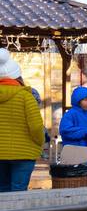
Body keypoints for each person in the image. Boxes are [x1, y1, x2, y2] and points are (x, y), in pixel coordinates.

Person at [0, 50, 43, 191]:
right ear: (17, 76)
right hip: (24, 153)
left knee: (2, 191)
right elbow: (36, 127)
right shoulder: (26, 97)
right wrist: (39, 142)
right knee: (18, 192)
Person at [58, 86, 87, 162]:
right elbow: (66, 131)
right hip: (73, 155)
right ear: (78, 100)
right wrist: (86, 131)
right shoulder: (70, 115)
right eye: (85, 99)